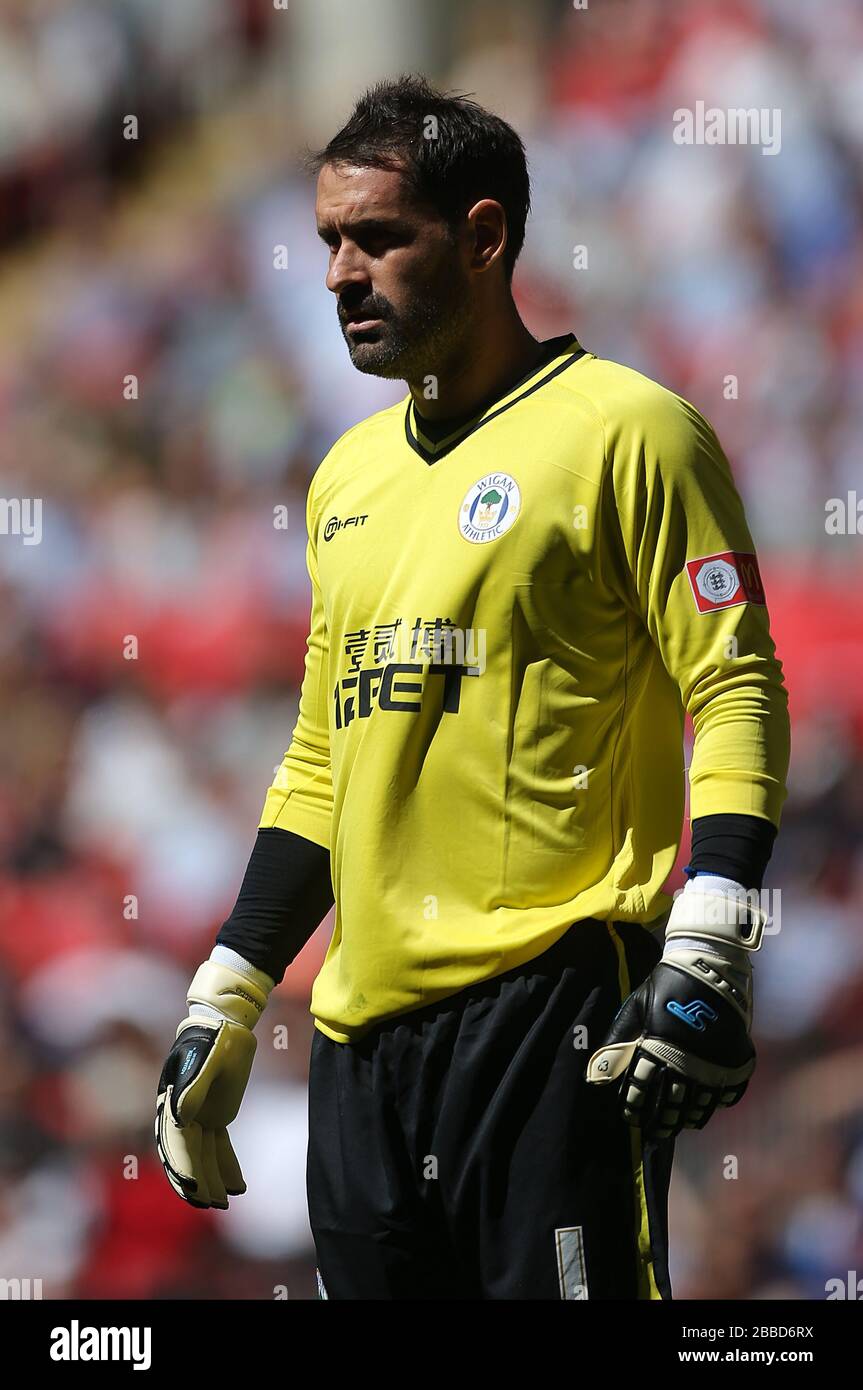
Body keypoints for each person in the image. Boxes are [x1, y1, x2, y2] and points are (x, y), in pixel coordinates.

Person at [155, 74, 790, 1300]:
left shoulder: (630, 433)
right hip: (358, 1048)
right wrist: (229, 992)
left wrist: (709, 936)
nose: (341, 272)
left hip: (550, 1012)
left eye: (380, 237)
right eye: (330, 240)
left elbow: (737, 687)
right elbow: (323, 762)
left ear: (486, 236)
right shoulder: (343, 480)